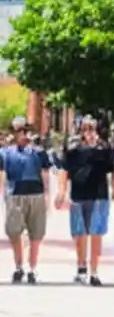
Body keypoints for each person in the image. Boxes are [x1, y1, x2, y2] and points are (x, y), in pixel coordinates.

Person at [57, 115, 114, 286]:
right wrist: (62, 191)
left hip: (99, 195)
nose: (88, 132)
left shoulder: (104, 147)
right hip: (78, 194)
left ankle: (94, 271)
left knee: (96, 233)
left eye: (92, 128)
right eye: (85, 128)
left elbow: (113, 169)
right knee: (80, 233)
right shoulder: (73, 147)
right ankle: (81, 267)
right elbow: (64, 169)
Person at [1, 116, 52, 284]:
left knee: (36, 233)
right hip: (14, 194)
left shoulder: (39, 152)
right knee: (13, 231)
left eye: (25, 130)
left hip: (36, 194)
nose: (23, 134)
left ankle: (32, 268)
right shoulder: (5, 153)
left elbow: (45, 174)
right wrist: (3, 194)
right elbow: (2, 175)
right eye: (19, 131)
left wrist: (47, 195)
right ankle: (19, 266)